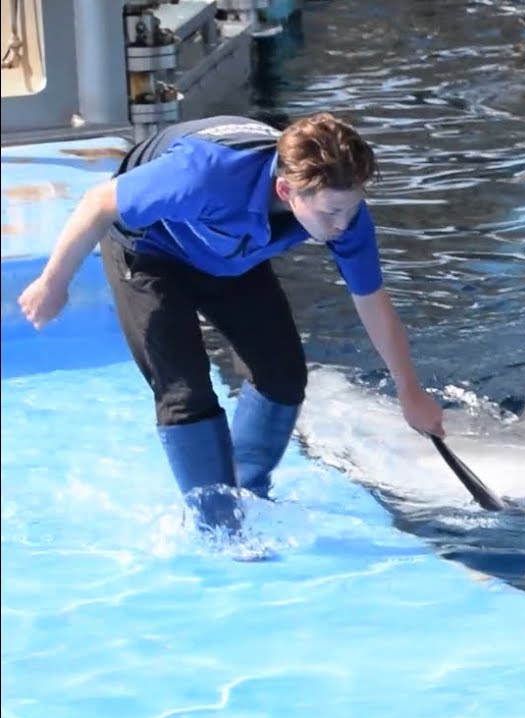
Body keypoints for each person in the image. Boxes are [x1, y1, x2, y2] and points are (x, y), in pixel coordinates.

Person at [18, 113, 446, 534]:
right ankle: (220, 528)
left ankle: (247, 491)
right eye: (332, 212)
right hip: (149, 252)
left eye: (351, 209)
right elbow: (98, 202)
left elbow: (371, 300)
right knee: (184, 391)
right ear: (285, 189)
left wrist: (409, 390)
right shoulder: (204, 174)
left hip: (228, 255)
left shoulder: (343, 213)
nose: (343, 224)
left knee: (282, 377)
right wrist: (53, 283)